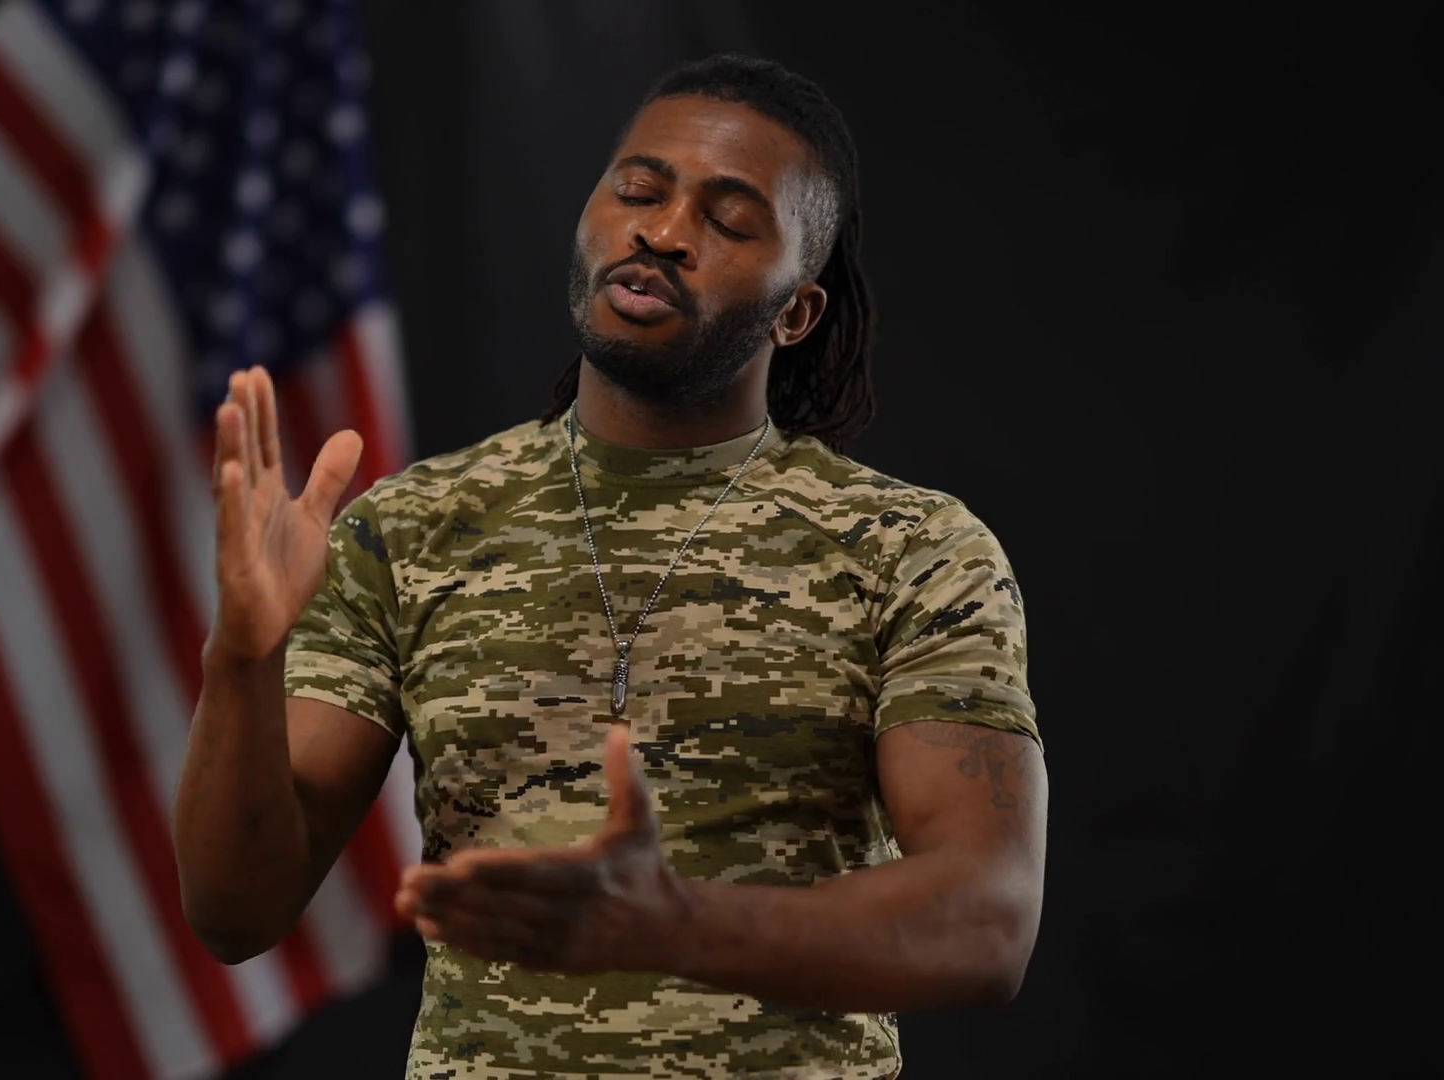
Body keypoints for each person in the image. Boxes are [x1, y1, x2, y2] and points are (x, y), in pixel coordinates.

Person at [173, 53, 1046, 1080]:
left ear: (796, 312)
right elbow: (235, 912)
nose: (662, 232)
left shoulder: (910, 550)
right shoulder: (411, 529)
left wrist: (675, 927)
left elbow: (986, 921)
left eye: (728, 221)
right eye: (638, 190)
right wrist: (241, 660)